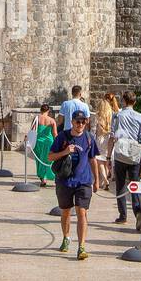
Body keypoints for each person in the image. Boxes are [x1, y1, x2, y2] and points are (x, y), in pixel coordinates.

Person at [48, 109, 99, 261]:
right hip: (64, 181)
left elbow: (93, 159)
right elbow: (50, 156)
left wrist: (97, 180)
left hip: (83, 181)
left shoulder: (89, 138)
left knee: (82, 211)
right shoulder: (63, 137)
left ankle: (81, 246)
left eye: (84, 122)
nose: (81, 124)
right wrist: (64, 151)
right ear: (72, 122)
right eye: (78, 121)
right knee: (65, 212)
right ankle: (66, 237)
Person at [110, 91, 141, 227]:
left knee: (120, 185)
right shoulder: (140, 117)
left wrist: (107, 156)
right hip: (135, 155)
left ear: (123, 101)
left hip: (120, 154)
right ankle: (138, 212)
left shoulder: (117, 116)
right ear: (134, 102)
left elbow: (112, 136)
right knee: (135, 185)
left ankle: (123, 215)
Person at [93, 92, 115, 191]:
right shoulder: (112, 115)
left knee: (99, 161)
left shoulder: (98, 116)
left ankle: (105, 180)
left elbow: (97, 130)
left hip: (101, 139)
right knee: (106, 160)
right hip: (109, 139)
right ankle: (103, 180)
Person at [33, 104, 57, 187]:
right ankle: (48, 177)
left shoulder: (36, 118)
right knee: (48, 160)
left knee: (39, 160)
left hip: (38, 142)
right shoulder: (52, 120)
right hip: (48, 142)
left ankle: (43, 178)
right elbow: (55, 134)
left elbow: (32, 130)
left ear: (40, 110)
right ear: (48, 111)